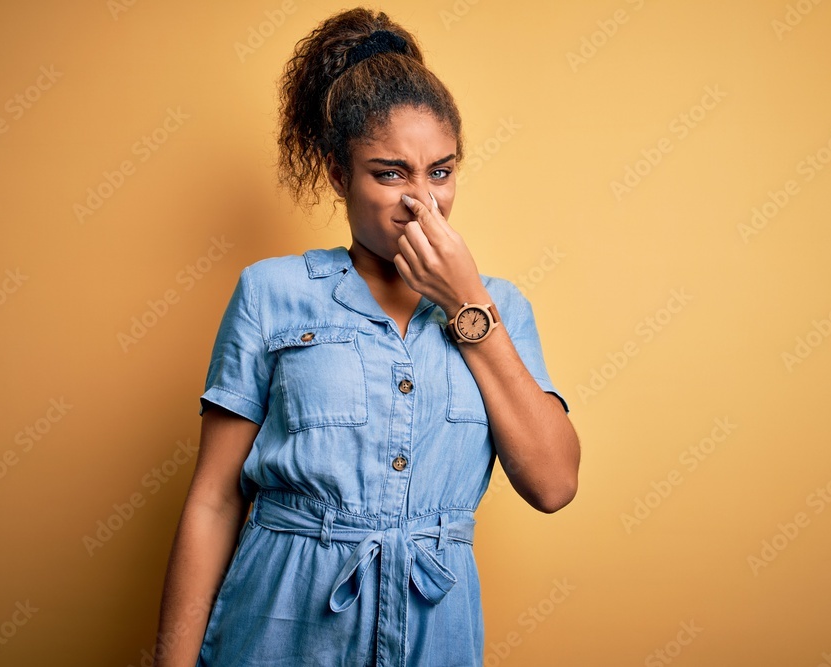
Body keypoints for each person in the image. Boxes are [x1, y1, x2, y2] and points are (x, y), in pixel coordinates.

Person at [154, 7, 580, 666]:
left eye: (440, 171)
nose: (423, 202)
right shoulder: (272, 293)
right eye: (390, 173)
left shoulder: (503, 309)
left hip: (433, 637)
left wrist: (467, 303)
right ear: (337, 174)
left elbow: (553, 483)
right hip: (278, 626)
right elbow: (213, 499)